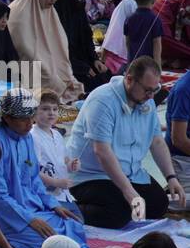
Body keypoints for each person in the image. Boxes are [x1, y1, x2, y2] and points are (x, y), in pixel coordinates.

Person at [67, 57, 185, 229]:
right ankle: (71, 209)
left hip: (131, 171)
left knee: (157, 205)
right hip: (92, 174)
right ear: (129, 79)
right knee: (118, 212)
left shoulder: (147, 101)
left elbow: (157, 141)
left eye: (155, 90)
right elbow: (102, 151)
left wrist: (171, 177)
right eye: (147, 90)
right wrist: (128, 191)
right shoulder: (103, 101)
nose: (151, 96)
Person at [0, 90, 88, 248]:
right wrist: (29, 220)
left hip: (31, 208)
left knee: (73, 224)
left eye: (30, 117)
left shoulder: (26, 138)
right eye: (23, 119)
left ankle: (9, 240)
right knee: (52, 243)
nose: (29, 123)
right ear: (8, 118)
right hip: (5, 215)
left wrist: (53, 205)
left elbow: (34, 179)